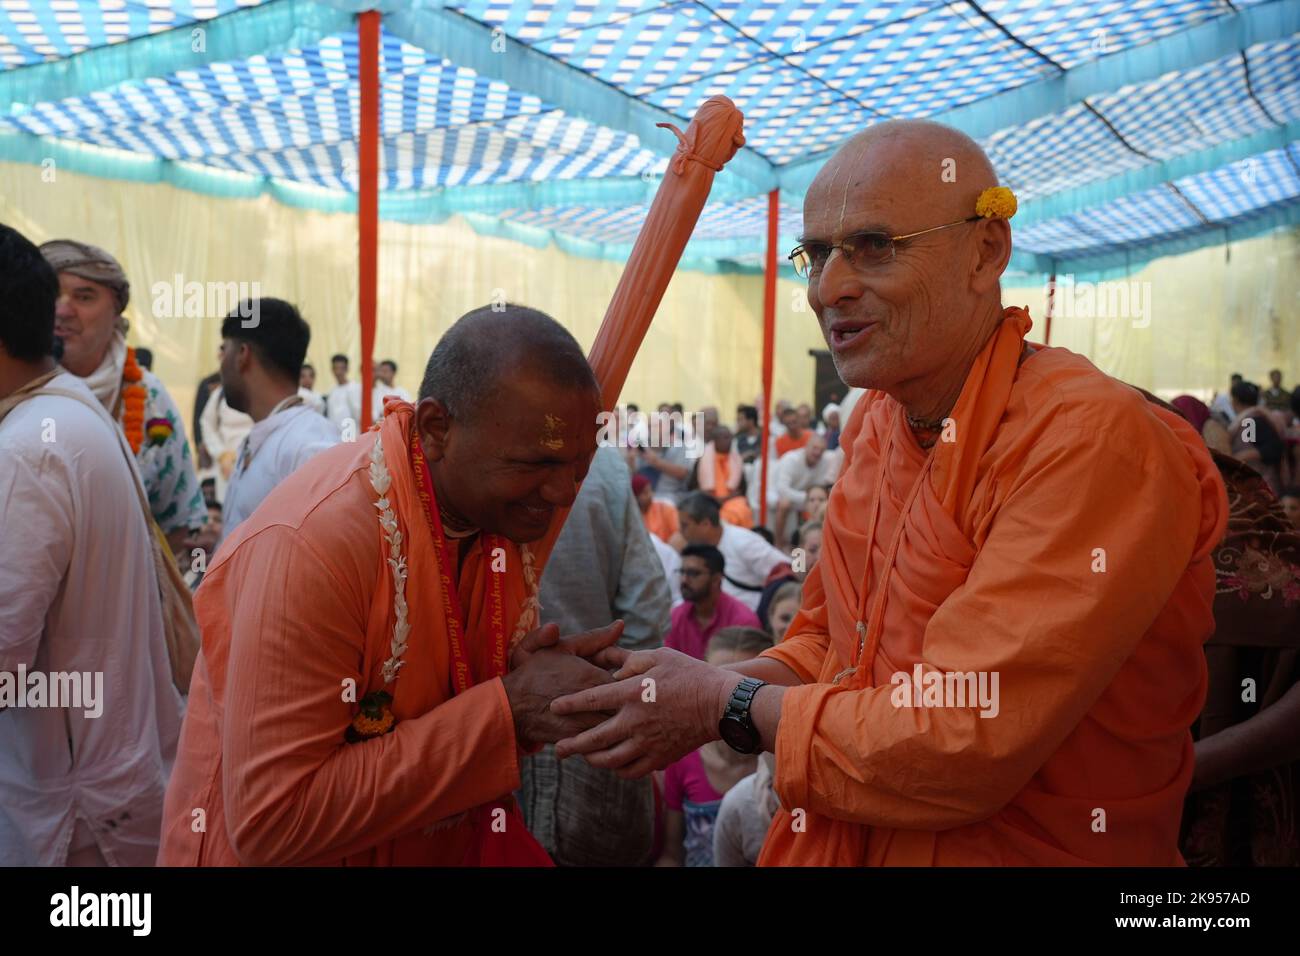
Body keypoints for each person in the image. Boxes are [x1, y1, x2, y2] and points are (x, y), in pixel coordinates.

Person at [552, 119, 1228, 867]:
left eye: (874, 247)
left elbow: (961, 738)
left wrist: (722, 705)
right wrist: (666, 691)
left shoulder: (1091, 441)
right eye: (816, 255)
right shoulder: (880, 421)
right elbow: (829, 648)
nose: (827, 289)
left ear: (986, 251)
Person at [158, 304, 628, 866]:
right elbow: (273, 821)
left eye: (577, 467)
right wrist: (507, 711)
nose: (561, 493)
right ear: (436, 431)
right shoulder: (316, 542)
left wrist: (525, 681)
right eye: (533, 464)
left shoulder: (490, 518)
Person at [0, 224, 181, 866]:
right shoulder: (69, 408)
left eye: (89, 295)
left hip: (73, 815)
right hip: (107, 787)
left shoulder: (30, 449)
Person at [519, 446, 670, 867]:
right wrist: (603, 686)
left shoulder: (464, 455)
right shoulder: (601, 465)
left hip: (489, 728)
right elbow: (648, 605)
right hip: (596, 725)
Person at [40, 239, 209, 556]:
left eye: (84, 296)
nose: (62, 310)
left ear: (117, 311)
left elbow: (178, 523)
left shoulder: (149, 398)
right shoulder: (15, 384)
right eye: (51, 294)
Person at [213, 299, 340, 546]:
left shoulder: (309, 446)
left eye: (224, 349)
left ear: (242, 355)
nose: (221, 365)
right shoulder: (265, 435)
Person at [655, 627, 770, 867]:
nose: (730, 700)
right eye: (717, 684)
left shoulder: (780, 767)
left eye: (744, 688)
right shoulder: (682, 757)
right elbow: (671, 854)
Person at [677, 492, 790, 612]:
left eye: (684, 525)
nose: (680, 530)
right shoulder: (695, 550)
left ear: (705, 524)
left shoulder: (743, 542)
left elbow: (787, 569)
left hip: (750, 620)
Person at [665, 545, 761, 660]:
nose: (684, 580)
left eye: (693, 573)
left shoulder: (743, 621)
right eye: (682, 572)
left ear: (716, 579)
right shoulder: (677, 616)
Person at [772, 433, 841, 547]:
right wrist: (808, 497)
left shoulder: (827, 459)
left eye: (821, 450)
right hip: (789, 495)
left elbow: (840, 452)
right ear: (806, 447)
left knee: (822, 503)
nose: (817, 452)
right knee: (784, 504)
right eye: (815, 448)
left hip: (810, 497)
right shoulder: (791, 459)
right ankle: (778, 543)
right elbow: (782, 489)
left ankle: (822, 543)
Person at [1229, 381, 1285, 493]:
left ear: (1235, 400)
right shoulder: (1255, 417)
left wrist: (1242, 456)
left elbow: (1273, 448)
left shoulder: (1250, 421)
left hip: (1260, 487)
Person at [633, 473, 679, 543]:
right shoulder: (632, 515)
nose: (650, 495)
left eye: (650, 491)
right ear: (636, 497)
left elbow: (678, 534)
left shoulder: (665, 509)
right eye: (645, 493)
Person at [325, 352, 362, 432]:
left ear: (347, 369)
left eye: (341, 368)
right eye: (336, 368)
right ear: (332, 370)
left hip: (351, 437)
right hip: (334, 437)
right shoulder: (332, 391)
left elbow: (358, 414)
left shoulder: (355, 387)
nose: (338, 372)